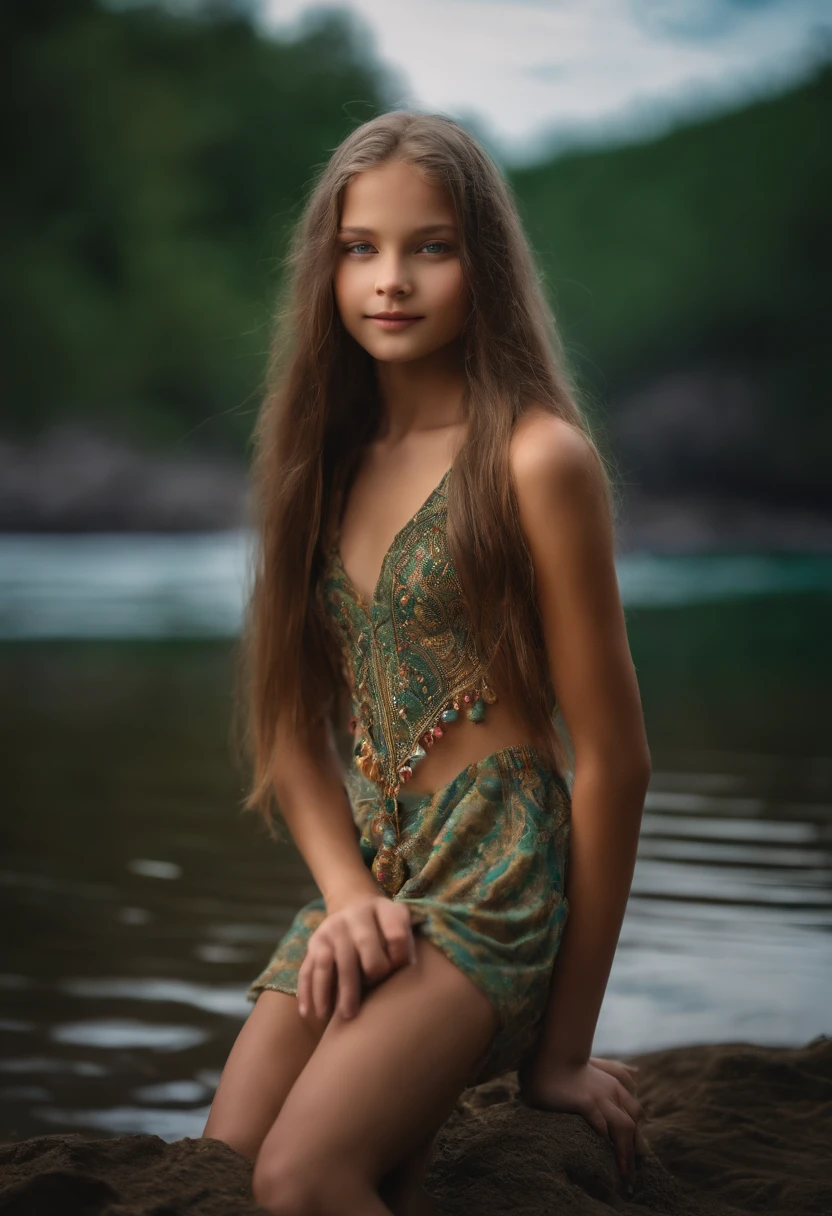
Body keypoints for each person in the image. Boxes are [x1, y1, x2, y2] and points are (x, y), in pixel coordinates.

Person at [202, 110, 652, 1216]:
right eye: (360, 248)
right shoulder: (320, 462)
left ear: (482, 263)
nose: (389, 280)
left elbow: (615, 761)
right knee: (220, 1164)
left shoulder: (538, 458)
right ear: (328, 268)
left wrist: (563, 1050)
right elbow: (287, 732)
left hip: (498, 883)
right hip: (379, 885)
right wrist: (347, 897)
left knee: (303, 1178)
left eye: (429, 246)